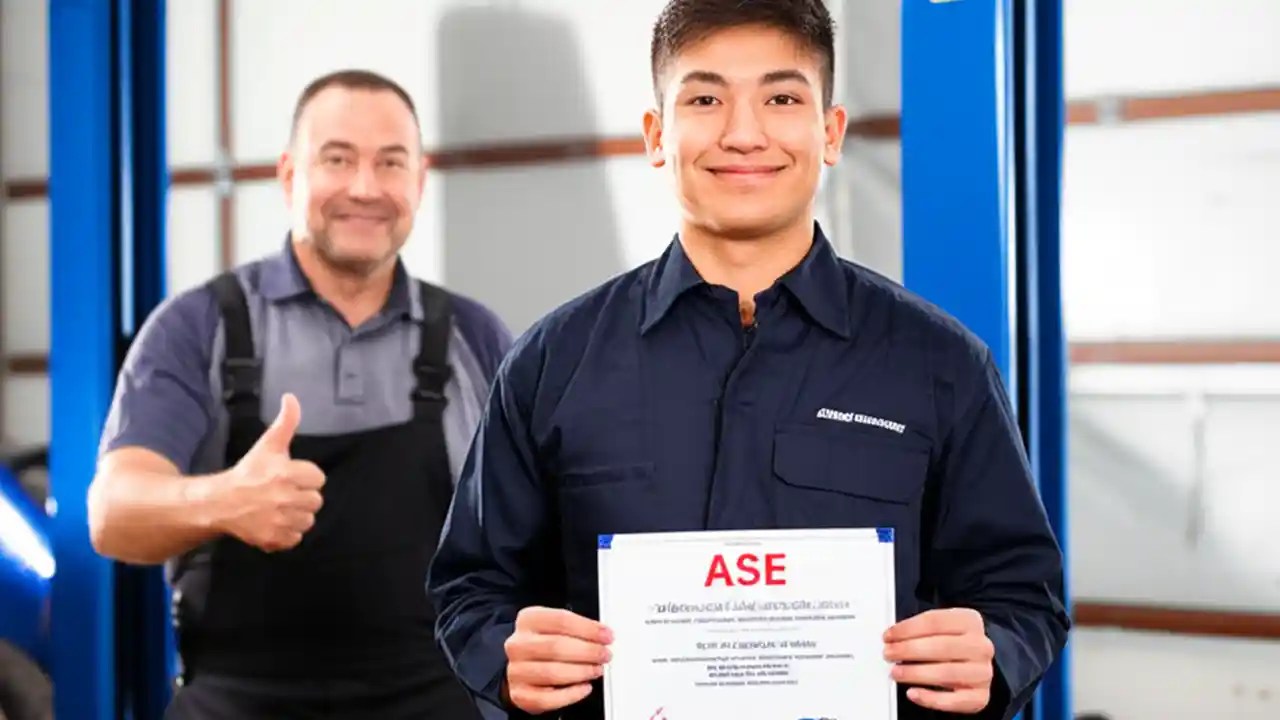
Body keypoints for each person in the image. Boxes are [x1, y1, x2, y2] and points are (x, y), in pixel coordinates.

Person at [427, 1, 1070, 719]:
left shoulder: (940, 363)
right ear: (656, 134)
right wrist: (507, 653)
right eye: (704, 98)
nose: (743, 132)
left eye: (782, 97)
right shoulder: (551, 363)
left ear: (830, 132)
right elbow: (471, 587)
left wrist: (994, 655)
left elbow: (1024, 597)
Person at [87, 69, 511, 719]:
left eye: (390, 162)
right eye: (337, 159)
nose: (365, 188)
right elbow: (113, 515)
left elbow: (533, 532)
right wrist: (222, 500)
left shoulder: (474, 339)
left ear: (419, 181)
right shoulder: (200, 328)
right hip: (236, 703)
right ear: (289, 175)